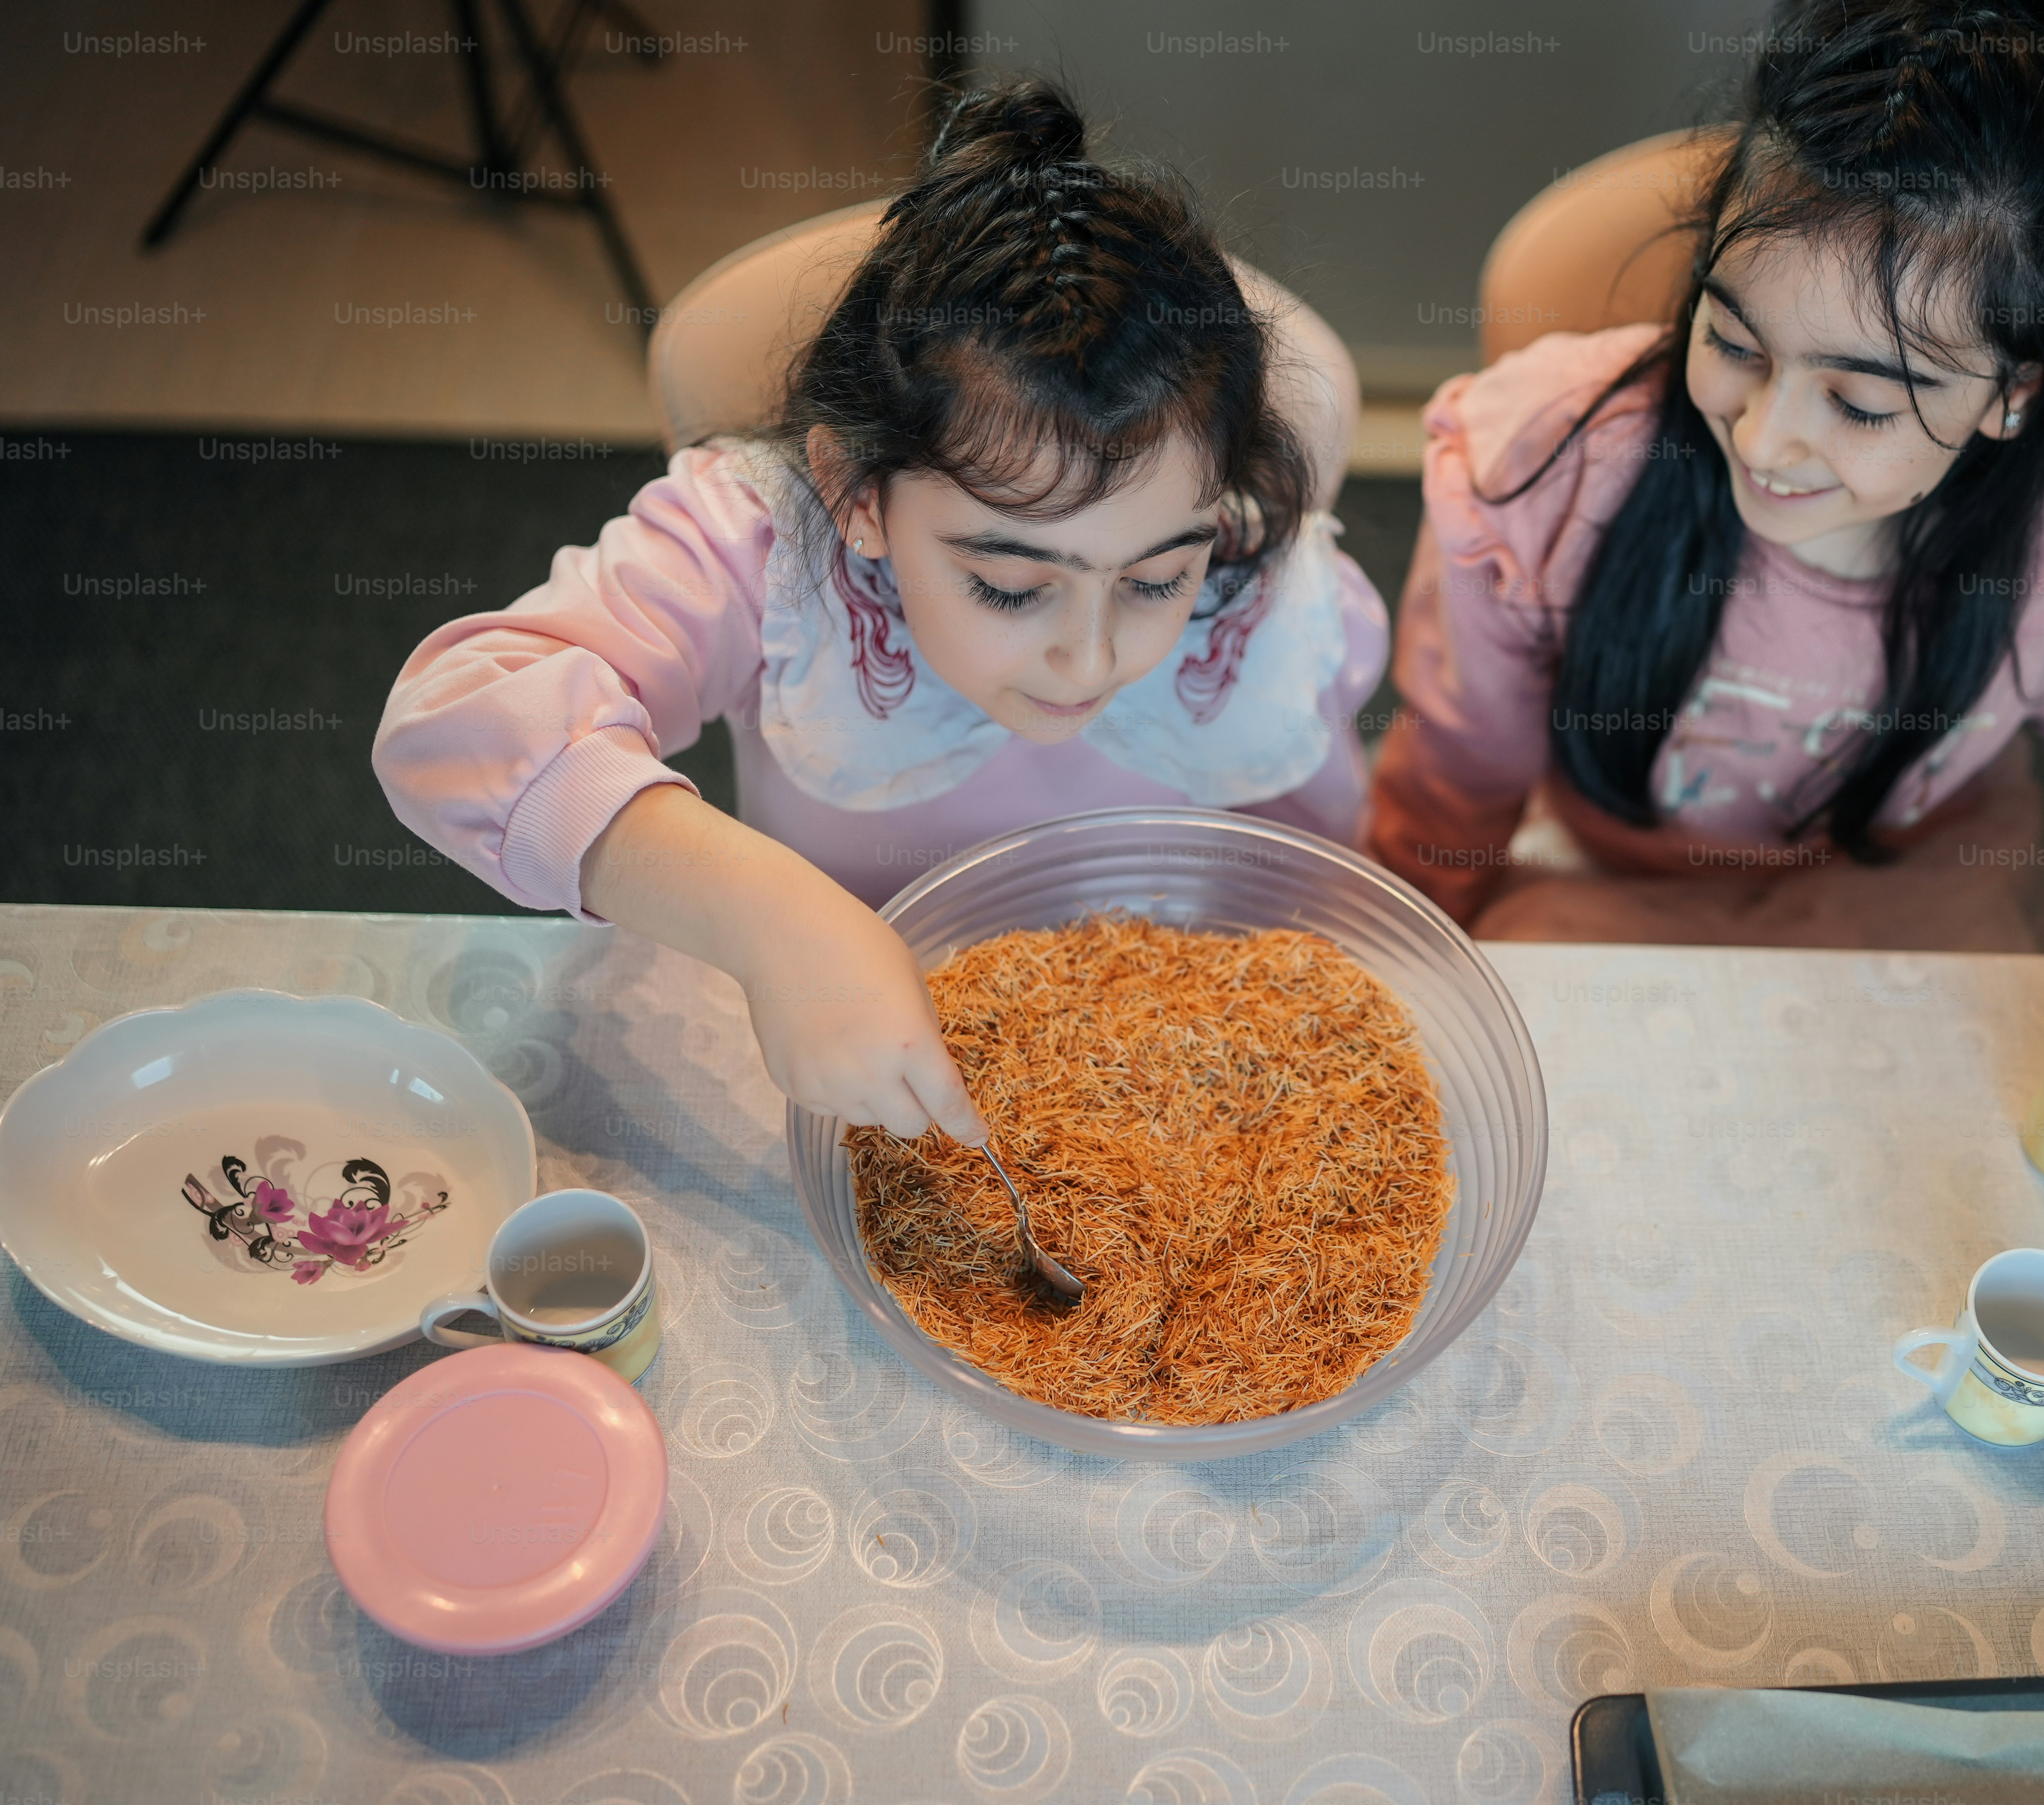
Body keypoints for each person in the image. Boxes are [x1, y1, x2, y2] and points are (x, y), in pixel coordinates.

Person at [375, 80, 1385, 1144]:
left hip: (1184, 1092)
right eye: (1008, 584)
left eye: (1153, 581)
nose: (1088, 657)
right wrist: (771, 923)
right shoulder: (756, 556)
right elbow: (457, 720)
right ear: (857, 493)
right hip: (855, 1077)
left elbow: (1320, 875)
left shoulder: (1268, 590)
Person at [1363, 0, 2044, 956]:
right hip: (1607, 892)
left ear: (2014, 393)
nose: (1764, 442)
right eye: (1731, 342)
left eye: (1861, 405)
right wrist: (1387, 959)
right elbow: (1458, 770)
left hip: (1904, 904)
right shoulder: (1547, 466)